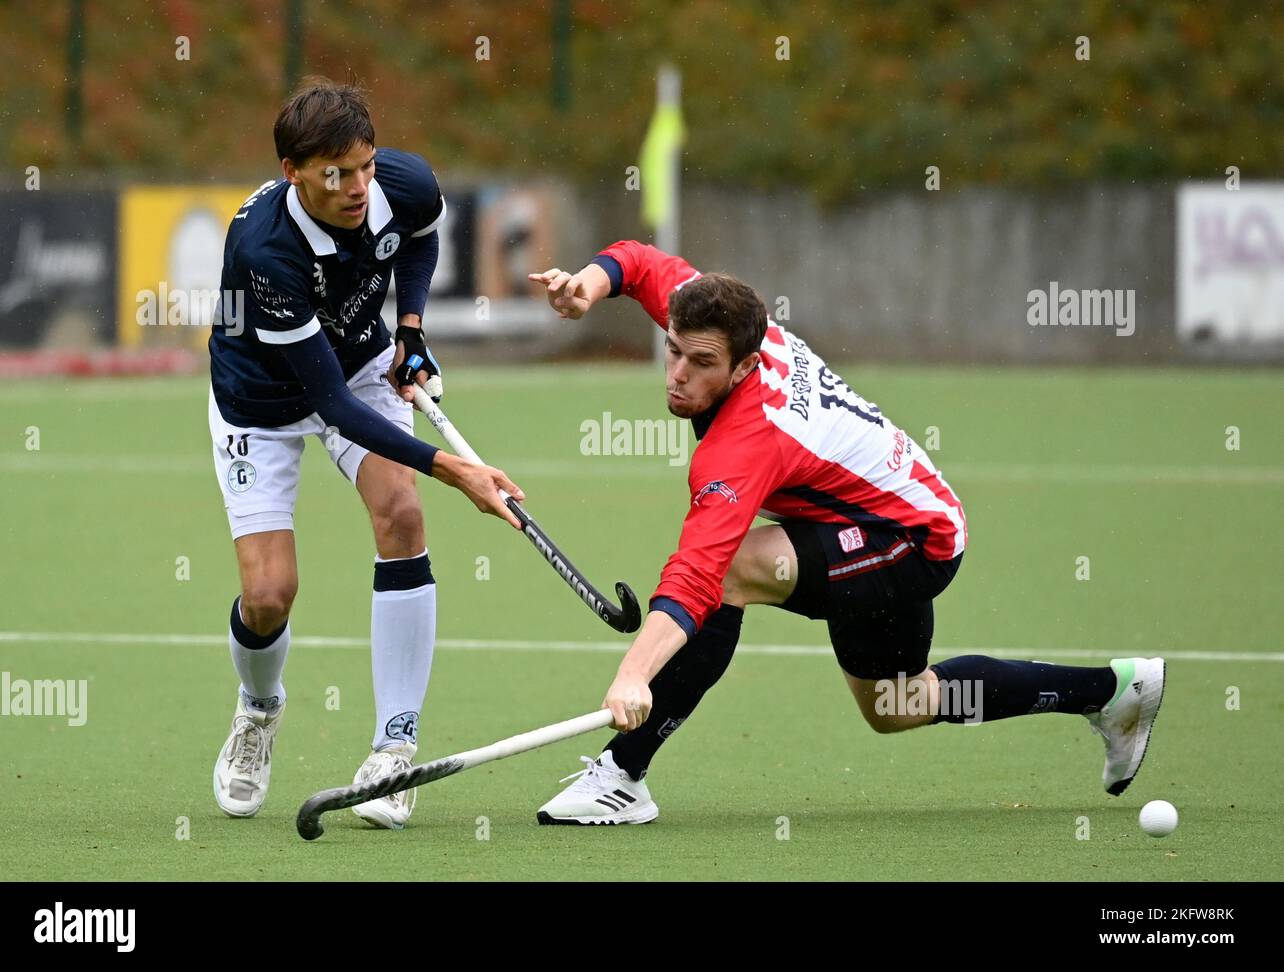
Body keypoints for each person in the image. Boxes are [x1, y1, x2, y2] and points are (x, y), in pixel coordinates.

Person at [527, 241, 1165, 825]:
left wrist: (635, 673)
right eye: (673, 351)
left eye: (702, 364)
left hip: (913, 540)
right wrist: (588, 283)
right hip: (872, 519)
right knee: (897, 705)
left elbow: (696, 573)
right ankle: (1111, 692)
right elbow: (637, 262)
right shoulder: (720, 315)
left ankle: (624, 775)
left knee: (731, 571)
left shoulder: (746, 443)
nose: (678, 374)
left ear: (748, 364)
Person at [207, 77, 523, 829]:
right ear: (293, 173)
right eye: (334, 175)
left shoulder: (400, 182)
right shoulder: (264, 253)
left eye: (365, 167)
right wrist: (458, 471)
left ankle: (394, 749)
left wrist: (410, 327)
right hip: (262, 399)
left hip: (356, 359)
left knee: (401, 516)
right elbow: (334, 408)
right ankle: (258, 710)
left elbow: (420, 237)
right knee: (268, 594)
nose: (356, 188)